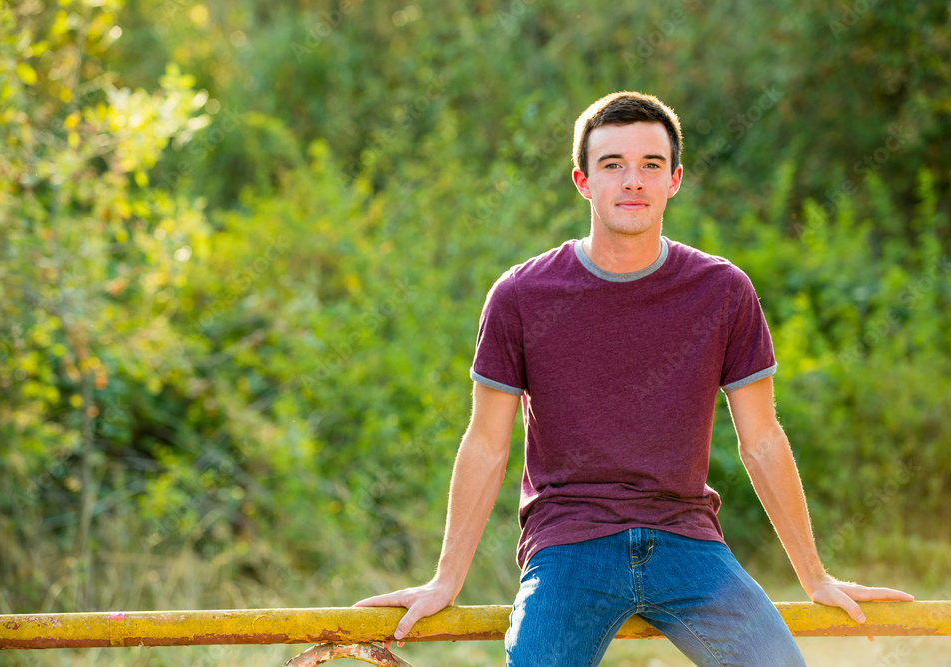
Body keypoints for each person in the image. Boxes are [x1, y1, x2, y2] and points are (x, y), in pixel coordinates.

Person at [354, 91, 913, 666]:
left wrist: (815, 576)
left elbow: (763, 439)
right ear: (582, 181)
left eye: (650, 165)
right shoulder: (522, 294)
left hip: (687, 540)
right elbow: (486, 443)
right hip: (569, 542)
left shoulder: (721, 291)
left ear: (673, 180)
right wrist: (446, 580)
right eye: (612, 165)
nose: (632, 181)